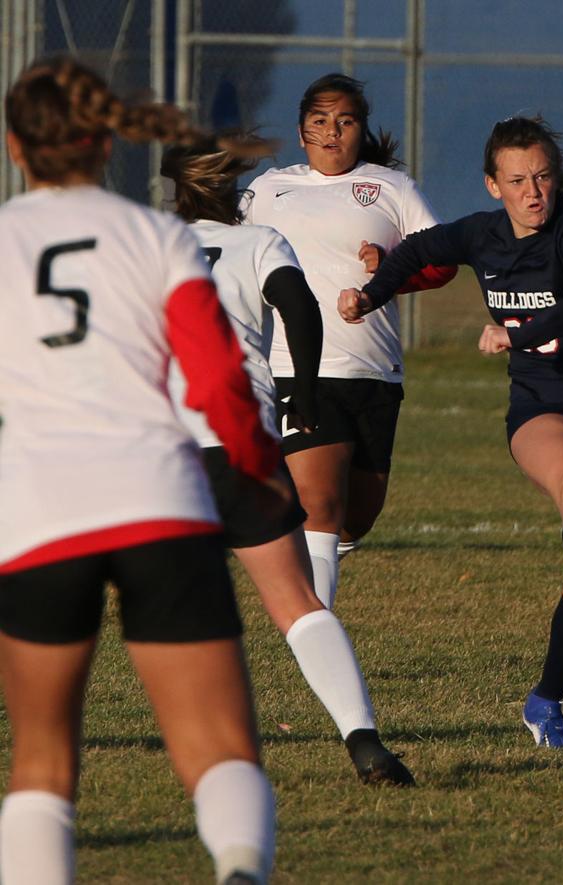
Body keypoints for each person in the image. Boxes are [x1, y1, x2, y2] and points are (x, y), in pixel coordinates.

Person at [0, 58, 277, 883]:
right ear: (104, 139)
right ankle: (237, 867)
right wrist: (260, 469)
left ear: (17, 147)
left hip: (40, 513)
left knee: (43, 766)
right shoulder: (157, 236)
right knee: (220, 750)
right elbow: (221, 380)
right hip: (163, 500)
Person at [338, 116, 563, 748]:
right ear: (494, 185)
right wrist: (372, 295)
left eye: (542, 177)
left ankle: (546, 700)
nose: (533, 191)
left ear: (556, 179)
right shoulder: (481, 235)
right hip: (543, 398)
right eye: (517, 180)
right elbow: (416, 252)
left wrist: (518, 332)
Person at [162, 134, 414, 786]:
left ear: (172, 190)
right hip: (240, 447)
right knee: (299, 603)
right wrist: (301, 392)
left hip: (158, 454)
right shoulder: (258, 242)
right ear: (234, 195)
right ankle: (364, 742)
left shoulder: (148, 248)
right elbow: (299, 308)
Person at [243, 73, 456, 610]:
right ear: (301, 132)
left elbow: (441, 263)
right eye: (320, 122)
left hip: (374, 374)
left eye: (345, 121)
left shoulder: (390, 188)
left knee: (355, 518)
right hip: (297, 369)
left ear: (362, 129)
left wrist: (390, 270)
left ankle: (314, 565)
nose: (332, 132)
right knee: (320, 505)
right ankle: (317, 634)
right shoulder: (267, 190)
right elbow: (226, 251)